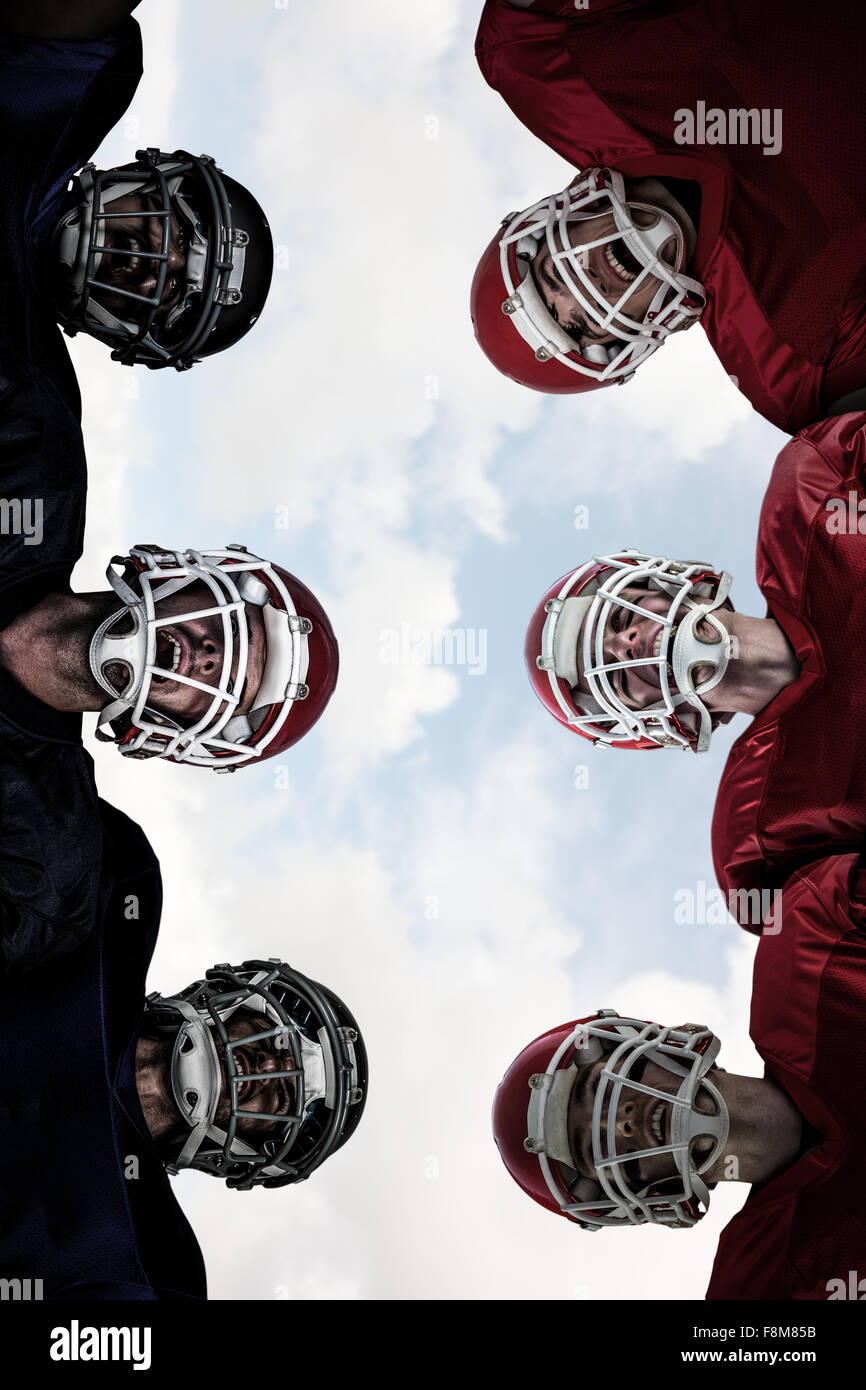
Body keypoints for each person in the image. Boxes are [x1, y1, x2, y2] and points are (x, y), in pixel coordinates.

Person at [0, 797, 367, 1298]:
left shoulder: (155, 1265)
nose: (270, 1063)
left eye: (283, 1095)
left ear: (254, 1155)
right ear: (238, 996)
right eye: (279, 1037)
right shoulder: (120, 887)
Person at [472, 0, 866, 432]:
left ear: (556, 219)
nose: (588, 292)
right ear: (639, 335)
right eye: (585, 324)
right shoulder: (795, 367)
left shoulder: (546, 56)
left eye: (555, 279)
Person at [493, 850, 866, 1297]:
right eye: (592, 1147)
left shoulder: (816, 936)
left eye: (598, 1089)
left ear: (666, 1040)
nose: (620, 1122)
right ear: (637, 1201)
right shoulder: (760, 1289)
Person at [0, 0, 272, 423]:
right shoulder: (74, 83)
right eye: (184, 234)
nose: (168, 259)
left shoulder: (34, 420)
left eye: (180, 292)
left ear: (139, 333)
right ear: (151, 179)